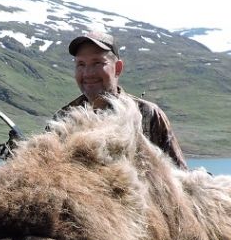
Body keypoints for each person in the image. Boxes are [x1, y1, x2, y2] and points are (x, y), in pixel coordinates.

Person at [55, 31, 187, 168]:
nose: (88, 73)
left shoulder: (147, 115)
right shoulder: (62, 120)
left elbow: (179, 177)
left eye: (97, 63)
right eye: (81, 64)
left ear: (117, 68)